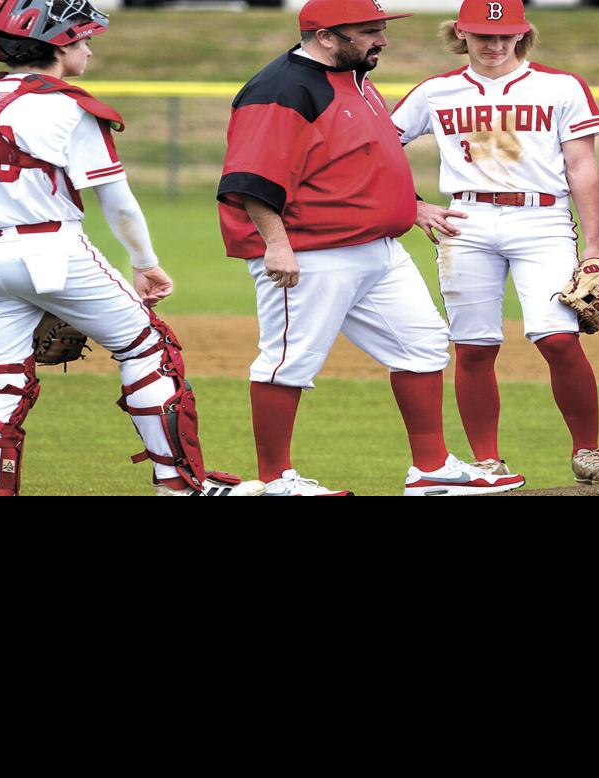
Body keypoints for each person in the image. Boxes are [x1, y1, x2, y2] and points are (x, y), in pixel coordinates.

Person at [0, 0, 263, 496]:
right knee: (150, 348)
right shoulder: (66, 105)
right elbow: (118, 202)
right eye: (82, 39)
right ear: (58, 44)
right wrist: (146, 264)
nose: (88, 50)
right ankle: (178, 485)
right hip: (50, 249)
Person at [218, 0, 525, 496]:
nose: (381, 40)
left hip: (376, 249)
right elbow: (250, 176)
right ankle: (275, 480)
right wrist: (276, 244)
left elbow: (363, 159)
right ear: (325, 36)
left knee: (422, 344)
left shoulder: (353, 77)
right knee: (288, 359)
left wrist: (412, 206)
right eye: (367, 31)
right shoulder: (283, 89)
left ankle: (431, 469)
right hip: (311, 250)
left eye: (380, 29)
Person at [390, 0, 599, 486]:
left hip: (542, 218)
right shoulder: (436, 91)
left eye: (505, 34)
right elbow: (380, 146)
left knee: (558, 337)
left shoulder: (561, 86)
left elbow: (582, 166)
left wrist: (594, 245)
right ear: (461, 32)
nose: (495, 43)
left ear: (523, 33)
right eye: (484, 34)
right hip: (466, 220)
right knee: (474, 346)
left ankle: (588, 453)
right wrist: (413, 205)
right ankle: (487, 460)